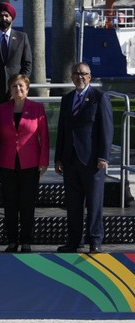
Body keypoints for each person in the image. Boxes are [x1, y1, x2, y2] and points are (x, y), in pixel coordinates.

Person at [55, 62, 113, 254]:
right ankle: (74, 240)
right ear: (71, 77)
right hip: (70, 160)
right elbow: (62, 130)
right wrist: (58, 158)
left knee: (94, 203)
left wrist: (103, 156)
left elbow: (106, 129)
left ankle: (95, 240)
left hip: (92, 161)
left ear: (90, 77)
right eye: (76, 74)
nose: (79, 77)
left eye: (83, 74)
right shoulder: (67, 99)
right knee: (73, 204)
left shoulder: (99, 98)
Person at [0, 74, 49, 252]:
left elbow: (44, 137)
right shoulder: (2, 110)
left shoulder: (37, 108)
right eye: (14, 86)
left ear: (27, 88)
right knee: (10, 204)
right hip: (7, 162)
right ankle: (12, 240)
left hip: (30, 163)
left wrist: (43, 161)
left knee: (27, 203)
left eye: (21, 86)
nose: (18, 89)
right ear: (10, 89)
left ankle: (26, 240)